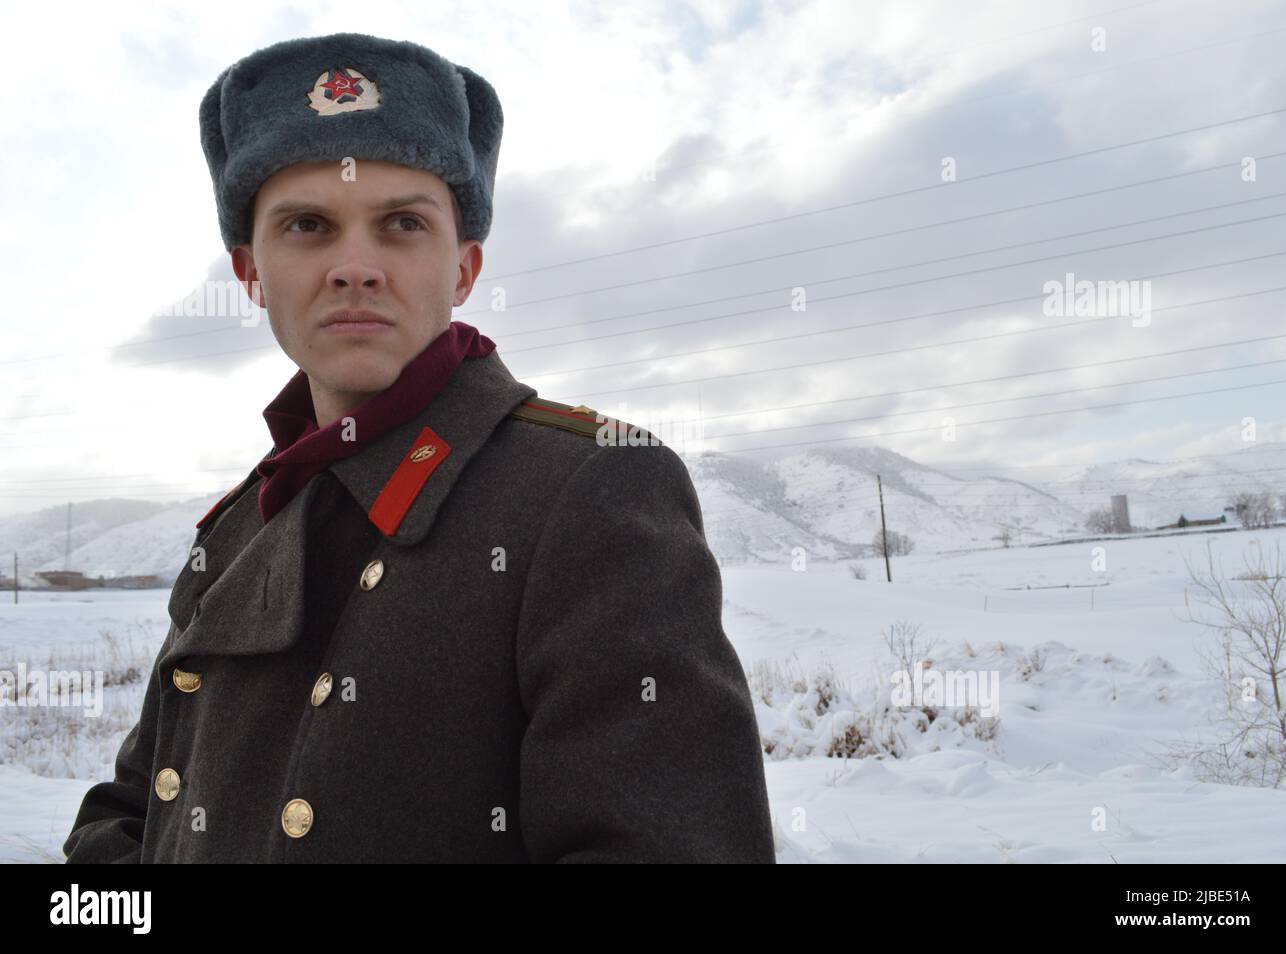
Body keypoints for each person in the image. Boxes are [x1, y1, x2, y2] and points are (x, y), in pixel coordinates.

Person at [61, 31, 776, 863]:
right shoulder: (237, 530)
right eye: (308, 226)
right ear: (251, 272)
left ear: (465, 268)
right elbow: (135, 809)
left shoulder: (592, 489)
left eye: (402, 223)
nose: (355, 266)